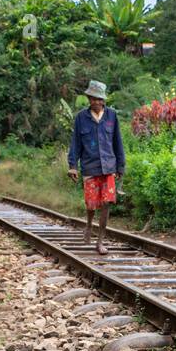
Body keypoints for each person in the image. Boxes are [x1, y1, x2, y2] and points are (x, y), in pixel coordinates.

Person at [67, 80, 125, 254]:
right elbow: (75, 143)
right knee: (92, 204)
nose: (96, 102)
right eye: (92, 99)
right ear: (88, 99)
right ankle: (88, 226)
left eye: (99, 99)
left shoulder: (112, 116)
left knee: (106, 203)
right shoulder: (81, 118)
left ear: (104, 100)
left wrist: (120, 167)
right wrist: (72, 166)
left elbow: (117, 143)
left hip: (109, 167)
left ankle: (100, 241)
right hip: (89, 167)